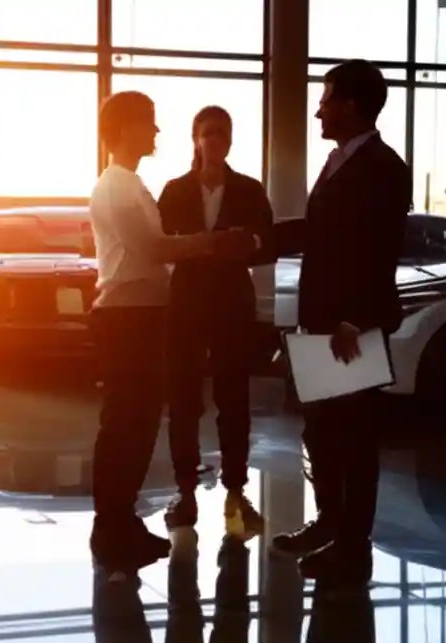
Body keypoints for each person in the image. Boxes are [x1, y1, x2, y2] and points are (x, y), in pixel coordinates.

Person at [88, 91, 256, 574]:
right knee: (126, 423)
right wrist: (213, 244)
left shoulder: (128, 182)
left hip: (140, 312)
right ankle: (112, 527)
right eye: (149, 124)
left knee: (137, 423)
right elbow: (151, 248)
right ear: (123, 129)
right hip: (128, 314)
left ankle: (121, 522)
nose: (157, 133)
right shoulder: (118, 186)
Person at [269, 60, 412, 585]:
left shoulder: (383, 168)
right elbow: (320, 233)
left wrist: (358, 318)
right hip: (323, 327)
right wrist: (255, 238)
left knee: (354, 440)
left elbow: (380, 252)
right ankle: (330, 524)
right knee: (322, 433)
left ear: (351, 105)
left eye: (326, 99)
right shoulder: (338, 162)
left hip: (353, 329)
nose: (318, 109)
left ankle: (353, 548)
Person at [157, 105, 275, 538]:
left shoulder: (248, 189)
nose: (214, 139)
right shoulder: (174, 191)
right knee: (184, 400)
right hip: (186, 304)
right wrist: (202, 246)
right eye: (208, 132)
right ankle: (185, 491)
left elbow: (269, 243)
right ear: (195, 138)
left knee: (234, 399)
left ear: (230, 140)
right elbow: (160, 246)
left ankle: (236, 490)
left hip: (231, 304)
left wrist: (250, 243)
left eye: (222, 133)